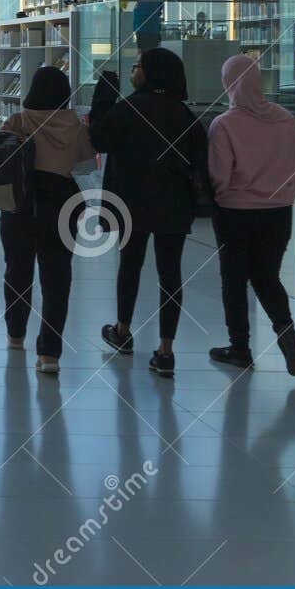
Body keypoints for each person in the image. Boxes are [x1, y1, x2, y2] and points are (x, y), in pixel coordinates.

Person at [89, 47, 208, 378]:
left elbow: (98, 139)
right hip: (173, 204)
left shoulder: (128, 109)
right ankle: (166, 350)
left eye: (137, 66)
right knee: (171, 274)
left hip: (131, 202)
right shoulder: (185, 115)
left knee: (130, 265)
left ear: (150, 72)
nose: (132, 72)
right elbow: (201, 160)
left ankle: (123, 331)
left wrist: (103, 99)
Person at [207, 55, 295, 376]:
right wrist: (285, 194)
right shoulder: (284, 119)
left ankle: (239, 347)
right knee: (267, 277)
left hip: (235, 213)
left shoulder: (224, 124)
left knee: (234, 280)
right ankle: (286, 334)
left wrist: (223, 196)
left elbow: (219, 175)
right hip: (278, 213)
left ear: (229, 83)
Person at [0, 66, 96, 375]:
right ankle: (50, 354)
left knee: (17, 270)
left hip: (19, 204)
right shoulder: (76, 127)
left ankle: (15, 335)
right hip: (62, 205)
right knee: (57, 278)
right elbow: (85, 168)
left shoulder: (17, 121)